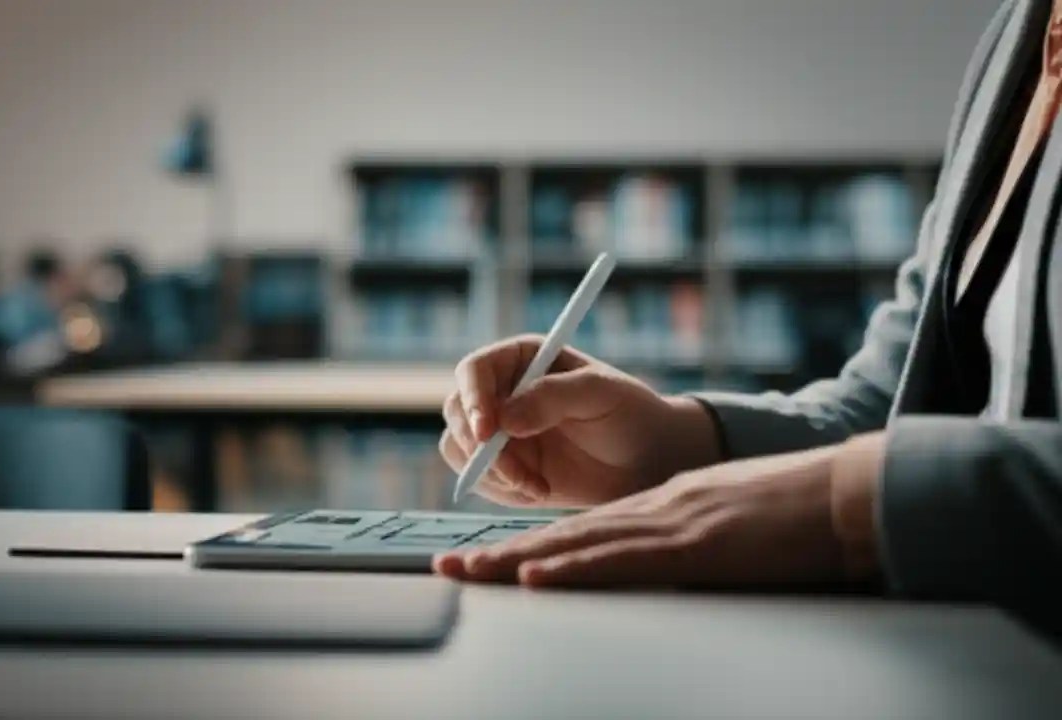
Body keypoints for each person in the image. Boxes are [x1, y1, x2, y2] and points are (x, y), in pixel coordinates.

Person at [434, 0, 1062, 608]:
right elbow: (895, 405)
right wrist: (673, 447)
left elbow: (892, 464)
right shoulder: (1018, 32)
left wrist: (858, 497)